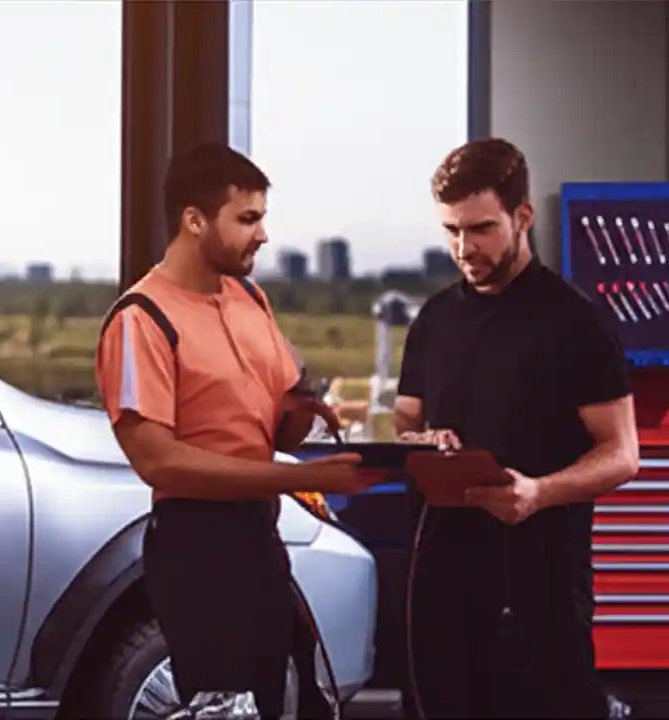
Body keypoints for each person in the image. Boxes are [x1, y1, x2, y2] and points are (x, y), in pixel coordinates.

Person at [95, 142, 371, 719]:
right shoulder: (141, 320)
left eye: (262, 218)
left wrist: (306, 409)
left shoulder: (250, 298)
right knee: (225, 708)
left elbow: (280, 427)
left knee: (279, 703)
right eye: (247, 219)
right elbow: (159, 462)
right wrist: (302, 478)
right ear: (194, 221)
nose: (263, 235)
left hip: (259, 541)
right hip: (196, 549)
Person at [393, 137, 640, 719]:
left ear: (521, 216)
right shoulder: (434, 320)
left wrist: (538, 493)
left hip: (543, 585)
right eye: (451, 230)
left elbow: (623, 454)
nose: (463, 248)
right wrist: (424, 444)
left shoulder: (573, 322)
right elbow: (407, 423)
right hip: (445, 579)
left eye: (480, 229)